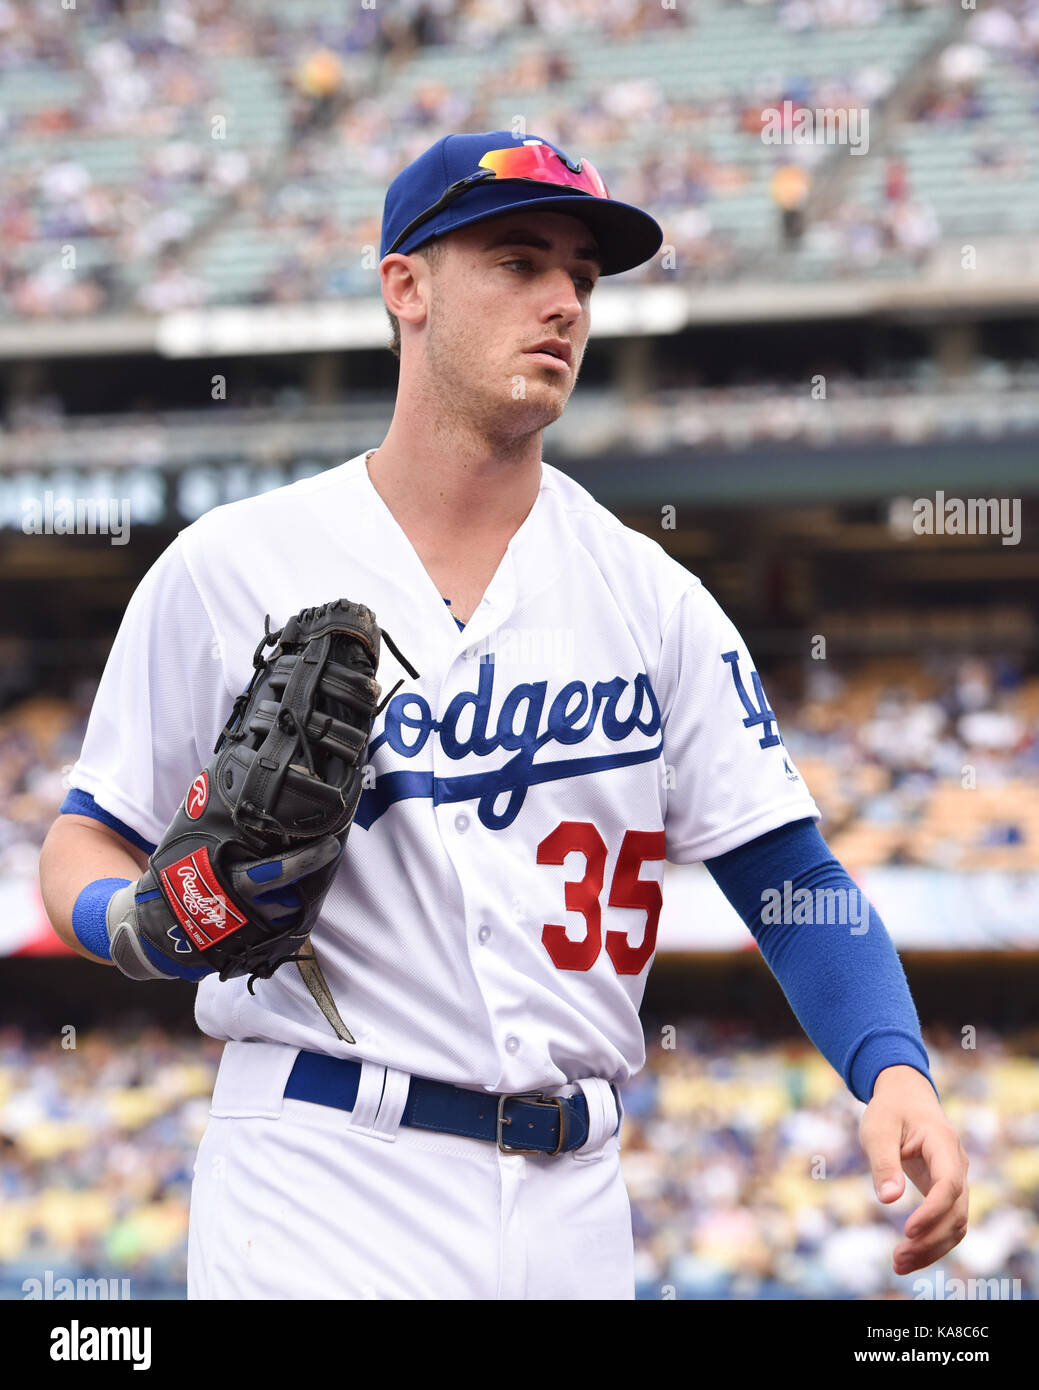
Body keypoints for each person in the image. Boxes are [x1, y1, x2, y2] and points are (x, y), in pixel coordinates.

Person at [39, 130, 968, 1300]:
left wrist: (892, 1066)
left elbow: (789, 874)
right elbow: (82, 835)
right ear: (405, 284)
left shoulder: (652, 599)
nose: (562, 303)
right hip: (323, 1172)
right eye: (518, 262)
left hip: (577, 1200)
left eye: (580, 277)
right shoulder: (229, 566)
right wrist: (129, 921)